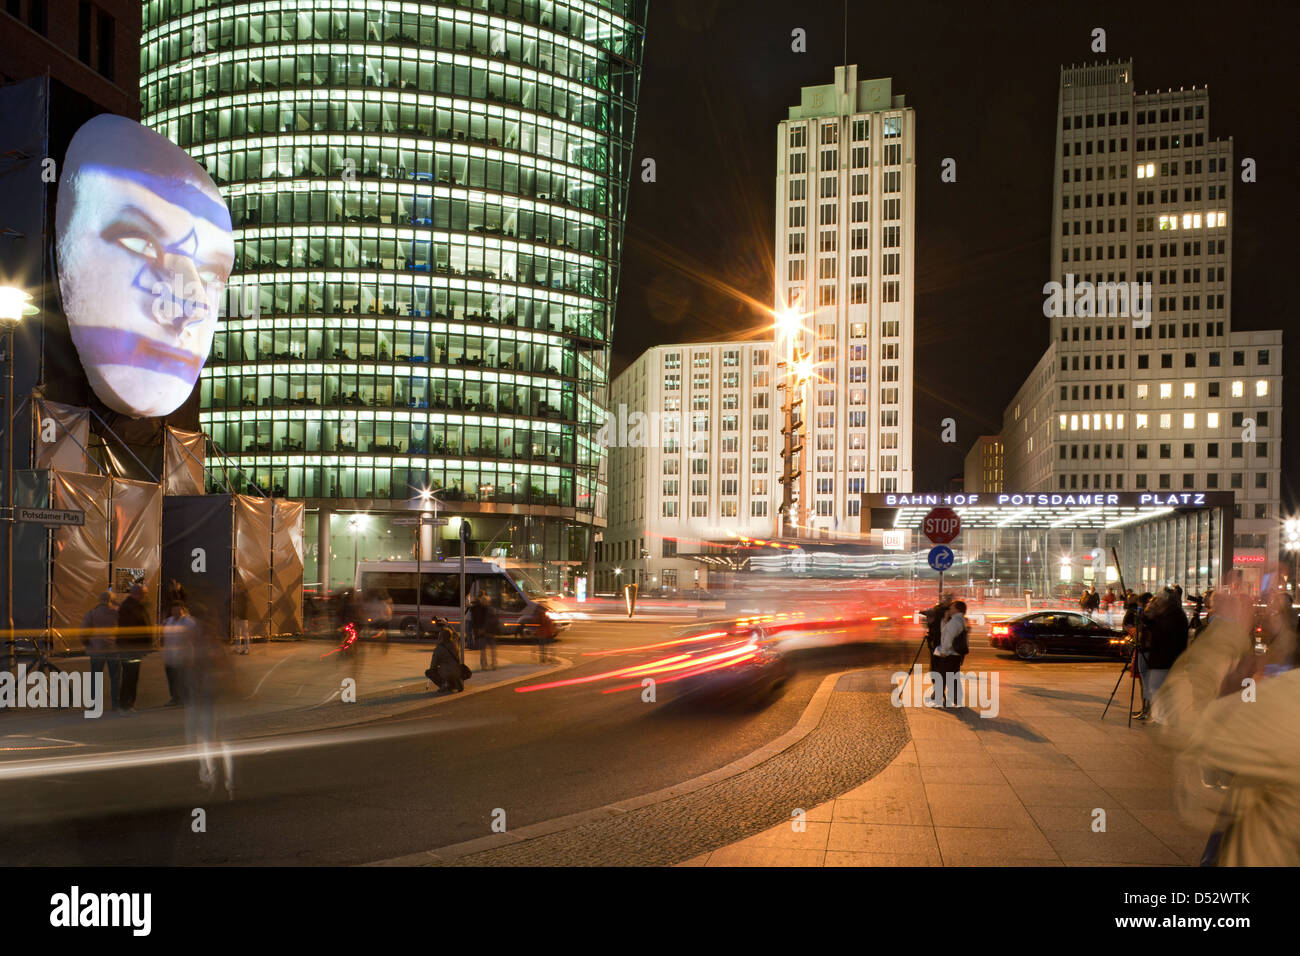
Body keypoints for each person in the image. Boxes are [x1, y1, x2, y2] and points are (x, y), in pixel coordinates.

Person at [82, 591, 121, 712]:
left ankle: (95, 704)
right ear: (111, 600)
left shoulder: (92, 613)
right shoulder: (115, 612)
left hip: (97, 649)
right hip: (113, 648)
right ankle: (115, 703)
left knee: (96, 677)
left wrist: (87, 644)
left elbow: (84, 631)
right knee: (115, 677)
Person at [116, 584, 153, 713]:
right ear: (137, 593)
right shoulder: (129, 607)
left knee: (132, 676)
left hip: (133, 648)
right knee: (129, 677)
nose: (146, 596)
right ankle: (126, 704)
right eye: (144, 594)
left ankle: (129, 703)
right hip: (130, 649)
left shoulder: (136, 605)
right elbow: (131, 629)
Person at [162, 601, 199, 706]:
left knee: (183, 679)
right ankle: (175, 698)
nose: (175, 612)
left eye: (178, 610)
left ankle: (185, 698)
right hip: (169, 656)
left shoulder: (189, 622)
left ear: (182, 610)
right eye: (173, 610)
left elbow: (195, 637)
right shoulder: (168, 621)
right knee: (172, 679)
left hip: (184, 656)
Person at [932, 600, 968, 706]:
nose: (949, 610)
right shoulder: (959, 620)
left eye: (951, 608)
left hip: (949, 655)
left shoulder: (955, 622)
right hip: (955, 655)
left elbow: (948, 638)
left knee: (941, 677)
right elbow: (945, 632)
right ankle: (956, 698)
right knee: (952, 677)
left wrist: (943, 651)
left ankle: (937, 699)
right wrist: (945, 619)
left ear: (957, 609)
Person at [426, 628, 464, 693]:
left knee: (429, 672)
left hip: (446, 672)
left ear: (441, 637)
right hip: (458, 670)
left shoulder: (439, 648)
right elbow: (456, 635)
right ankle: (454, 683)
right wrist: (448, 625)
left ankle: (444, 685)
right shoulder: (455, 644)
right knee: (452, 671)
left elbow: (433, 665)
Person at [470, 592, 500, 671]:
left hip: (486, 632)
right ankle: (489, 665)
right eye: (483, 602)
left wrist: (481, 629)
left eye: (485, 602)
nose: (484, 603)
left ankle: (489, 665)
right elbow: (479, 621)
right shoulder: (484, 609)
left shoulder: (487, 610)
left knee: (486, 650)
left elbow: (489, 621)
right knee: (487, 650)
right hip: (486, 632)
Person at [231, 587, 251, 654]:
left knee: (245, 634)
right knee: (237, 634)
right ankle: (237, 649)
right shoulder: (236, 597)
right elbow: (235, 608)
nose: (234, 590)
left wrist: (239, 616)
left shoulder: (244, 597)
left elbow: (244, 608)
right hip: (237, 618)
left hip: (243, 618)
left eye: (236, 589)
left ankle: (246, 649)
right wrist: (235, 616)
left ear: (240, 590)